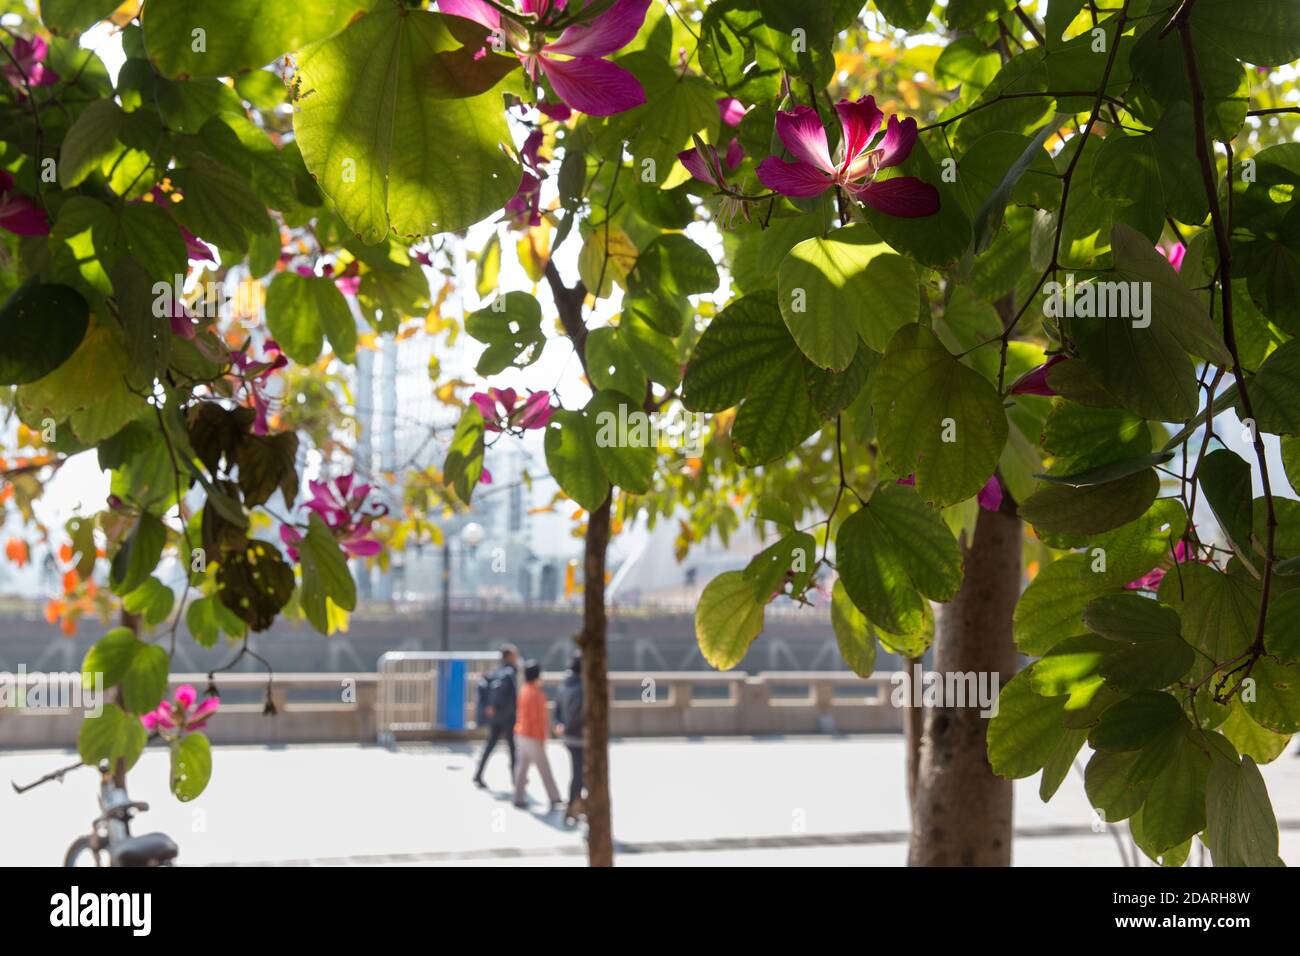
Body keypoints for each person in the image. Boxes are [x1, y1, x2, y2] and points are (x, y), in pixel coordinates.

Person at [512, 660, 561, 810]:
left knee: (522, 768)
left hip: (521, 733)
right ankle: (554, 798)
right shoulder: (537, 694)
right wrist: (543, 738)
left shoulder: (523, 690)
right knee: (544, 768)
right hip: (533, 736)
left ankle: (518, 797)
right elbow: (540, 719)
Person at [472, 644, 518, 789]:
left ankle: (479, 774)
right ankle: (516, 780)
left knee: (490, 745)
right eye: (515, 654)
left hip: (497, 716)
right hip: (507, 716)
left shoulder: (496, 670)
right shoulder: (508, 671)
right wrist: (493, 704)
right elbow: (498, 689)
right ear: (509, 656)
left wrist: (491, 707)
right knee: (511, 748)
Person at [553, 653, 585, 824]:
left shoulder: (564, 683)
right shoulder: (582, 686)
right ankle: (573, 806)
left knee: (580, 772)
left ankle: (578, 804)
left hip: (567, 736)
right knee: (580, 774)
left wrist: (559, 723)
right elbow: (578, 714)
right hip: (579, 736)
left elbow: (556, 708)